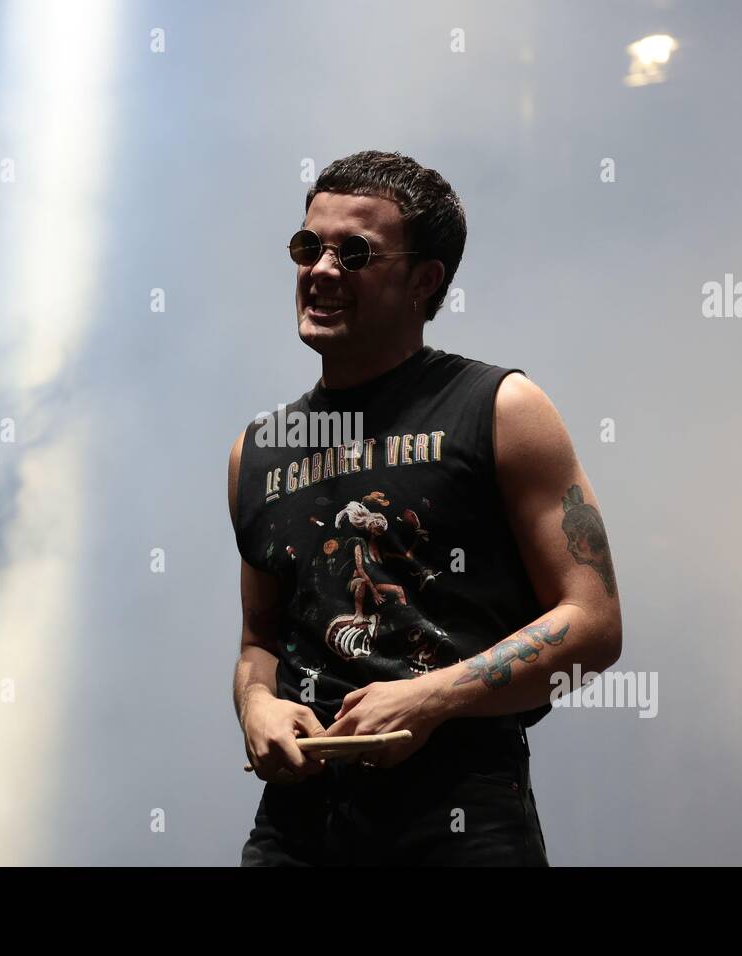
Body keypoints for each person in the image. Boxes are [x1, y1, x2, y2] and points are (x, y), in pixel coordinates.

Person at [229, 150, 623, 865]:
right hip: (295, 828)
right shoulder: (258, 450)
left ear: (424, 281)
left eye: (355, 253)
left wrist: (429, 698)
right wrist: (257, 705)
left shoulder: (501, 408)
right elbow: (259, 641)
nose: (320, 270)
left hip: (460, 817)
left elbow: (593, 624)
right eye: (307, 247)